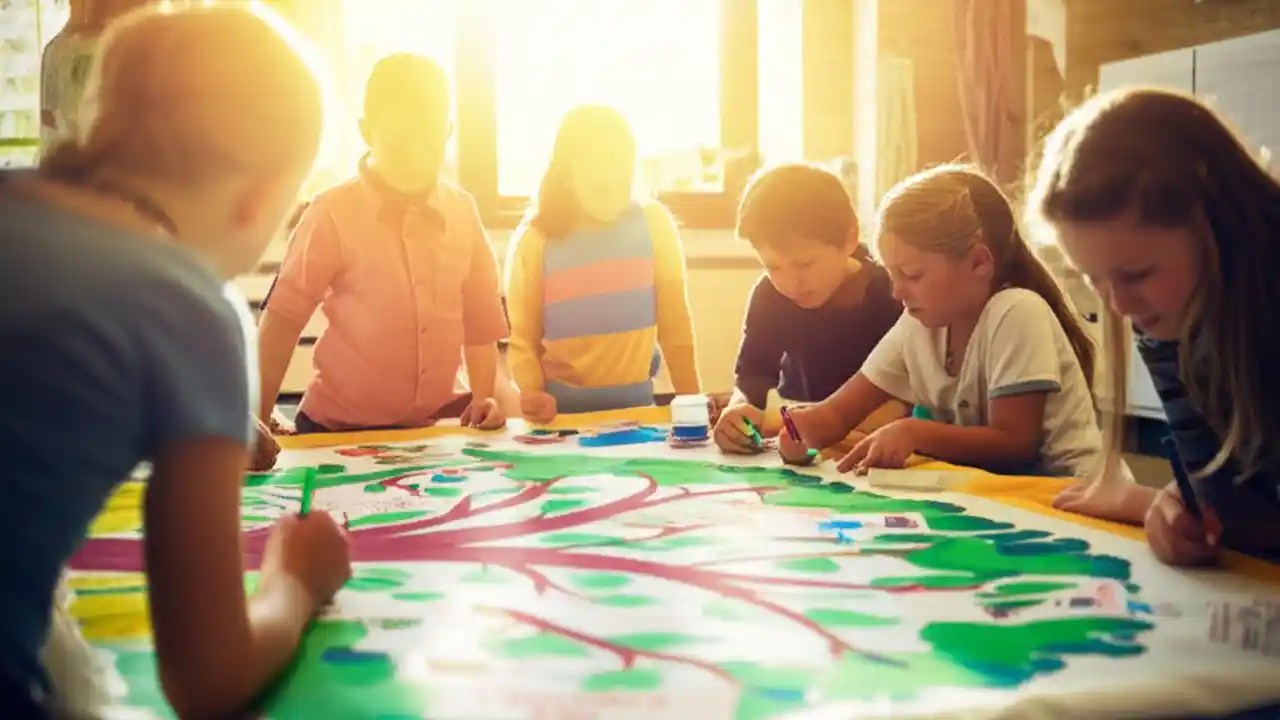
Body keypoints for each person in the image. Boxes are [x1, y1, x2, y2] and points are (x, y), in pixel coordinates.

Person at [0, 6, 350, 716]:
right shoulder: (194, 306)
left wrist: (195, 426)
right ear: (256, 203)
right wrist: (295, 583)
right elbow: (206, 680)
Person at [1029, 87, 1280, 565]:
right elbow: (1237, 508)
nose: (1120, 306)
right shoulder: (1169, 318)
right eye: (1093, 280)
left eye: (1136, 274)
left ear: (1212, 220)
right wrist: (1175, 506)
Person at [779, 165, 1109, 483]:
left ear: (978, 262)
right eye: (892, 274)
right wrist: (800, 428)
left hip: (1072, 496)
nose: (897, 291)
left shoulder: (1017, 311)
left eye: (911, 275)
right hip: (1001, 498)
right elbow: (837, 415)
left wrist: (914, 431)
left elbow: (1014, 445)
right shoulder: (918, 323)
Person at [257, 53, 509, 434]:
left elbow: (480, 320)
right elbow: (282, 319)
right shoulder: (331, 213)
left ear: (448, 131)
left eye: (429, 142)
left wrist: (484, 396)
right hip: (337, 428)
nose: (415, 158)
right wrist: (257, 416)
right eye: (398, 142)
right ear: (366, 132)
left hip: (436, 428)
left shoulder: (462, 211)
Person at [505, 105, 700, 421]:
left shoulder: (654, 224)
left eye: (622, 175)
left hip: (638, 415)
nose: (612, 186)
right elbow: (523, 339)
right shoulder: (536, 239)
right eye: (600, 180)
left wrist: (692, 403)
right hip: (559, 419)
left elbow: (675, 326)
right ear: (568, 175)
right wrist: (531, 391)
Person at [713, 163, 902, 453]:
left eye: (805, 264)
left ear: (849, 239)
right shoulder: (770, 296)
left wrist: (812, 423)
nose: (791, 283)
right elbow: (752, 380)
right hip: (800, 443)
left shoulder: (890, 294)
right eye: (773, 266)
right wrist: (739, 413)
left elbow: (903, 402)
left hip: (873, 445)